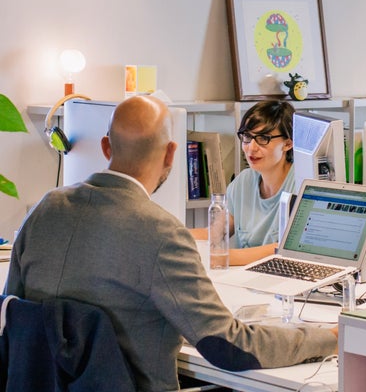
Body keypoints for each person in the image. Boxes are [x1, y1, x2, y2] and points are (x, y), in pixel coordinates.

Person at [5, 96, 336, 392]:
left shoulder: (45, 209)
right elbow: (230, 347)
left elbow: (12, 314)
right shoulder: (161, 234)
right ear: (171, 153)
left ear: (106, 148)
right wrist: (330, 338)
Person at [191, 100, 295, 265]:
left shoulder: (300, 185)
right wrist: (172, 236)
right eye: (247, 137)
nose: (251, 148)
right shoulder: (243, 182)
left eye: (263, 138)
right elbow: (215, 233)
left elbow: (286, 251)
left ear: (288, 143)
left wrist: (222, 257)